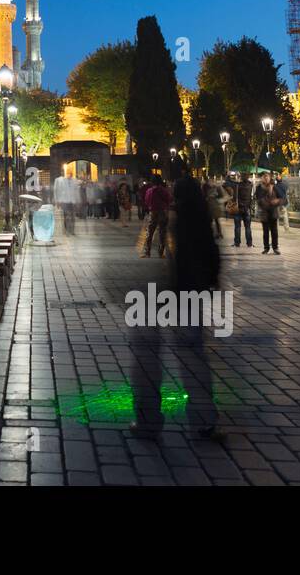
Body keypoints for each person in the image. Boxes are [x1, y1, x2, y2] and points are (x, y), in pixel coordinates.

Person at [129, 158, 223, 442]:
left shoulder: (175, 220)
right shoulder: (202, 222)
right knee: (194, 358)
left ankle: (148, 421)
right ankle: (204, 419)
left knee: (146, 359)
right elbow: (213, 260)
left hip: (162, 297)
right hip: (190, 296)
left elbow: (161, 258)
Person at [142, 175, 172, 258]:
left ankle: (147, 252)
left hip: (152, 212)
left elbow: (146, 201)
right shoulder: (163, 190)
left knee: (150, 232)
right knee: (162, 232)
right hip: (162, 212)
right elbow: (169, 199)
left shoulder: (149, 191)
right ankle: (161, 252)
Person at [255, 174, 282, 255]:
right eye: (264, 177)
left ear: (270, 178)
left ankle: (275, 247)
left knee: (274, 231)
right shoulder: (259, 188)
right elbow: (257, 199)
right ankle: (266, 248)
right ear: (262, 178)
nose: (266, 178)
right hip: (264, 213)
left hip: (273, 212)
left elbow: (282, 198)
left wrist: (277, 201)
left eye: (267, 176)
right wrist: (263, 202)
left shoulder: (275, 187)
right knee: (265, 231)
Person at [228, 174, 253, 248]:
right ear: (248, 178)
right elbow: (251, 197)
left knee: (237, 227)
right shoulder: (250, 186)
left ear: (241, 178)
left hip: (238, 209)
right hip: (247, 209)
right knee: (248, 227)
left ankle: (237, 243)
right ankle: (249, 243)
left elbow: (234, 197)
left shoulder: (238, 186)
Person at [52, 171, 78, 235]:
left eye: (71, 174)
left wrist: (78, 201)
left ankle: (72, 230)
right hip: (64, 202)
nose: (69, 175)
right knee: (66, 216)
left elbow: (76, 191)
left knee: (72, 217)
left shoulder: (74, 180)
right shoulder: (60, 180)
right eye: (68, 174)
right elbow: (57, 191)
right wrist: (57, 201)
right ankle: (66, 229)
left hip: (72, 202)